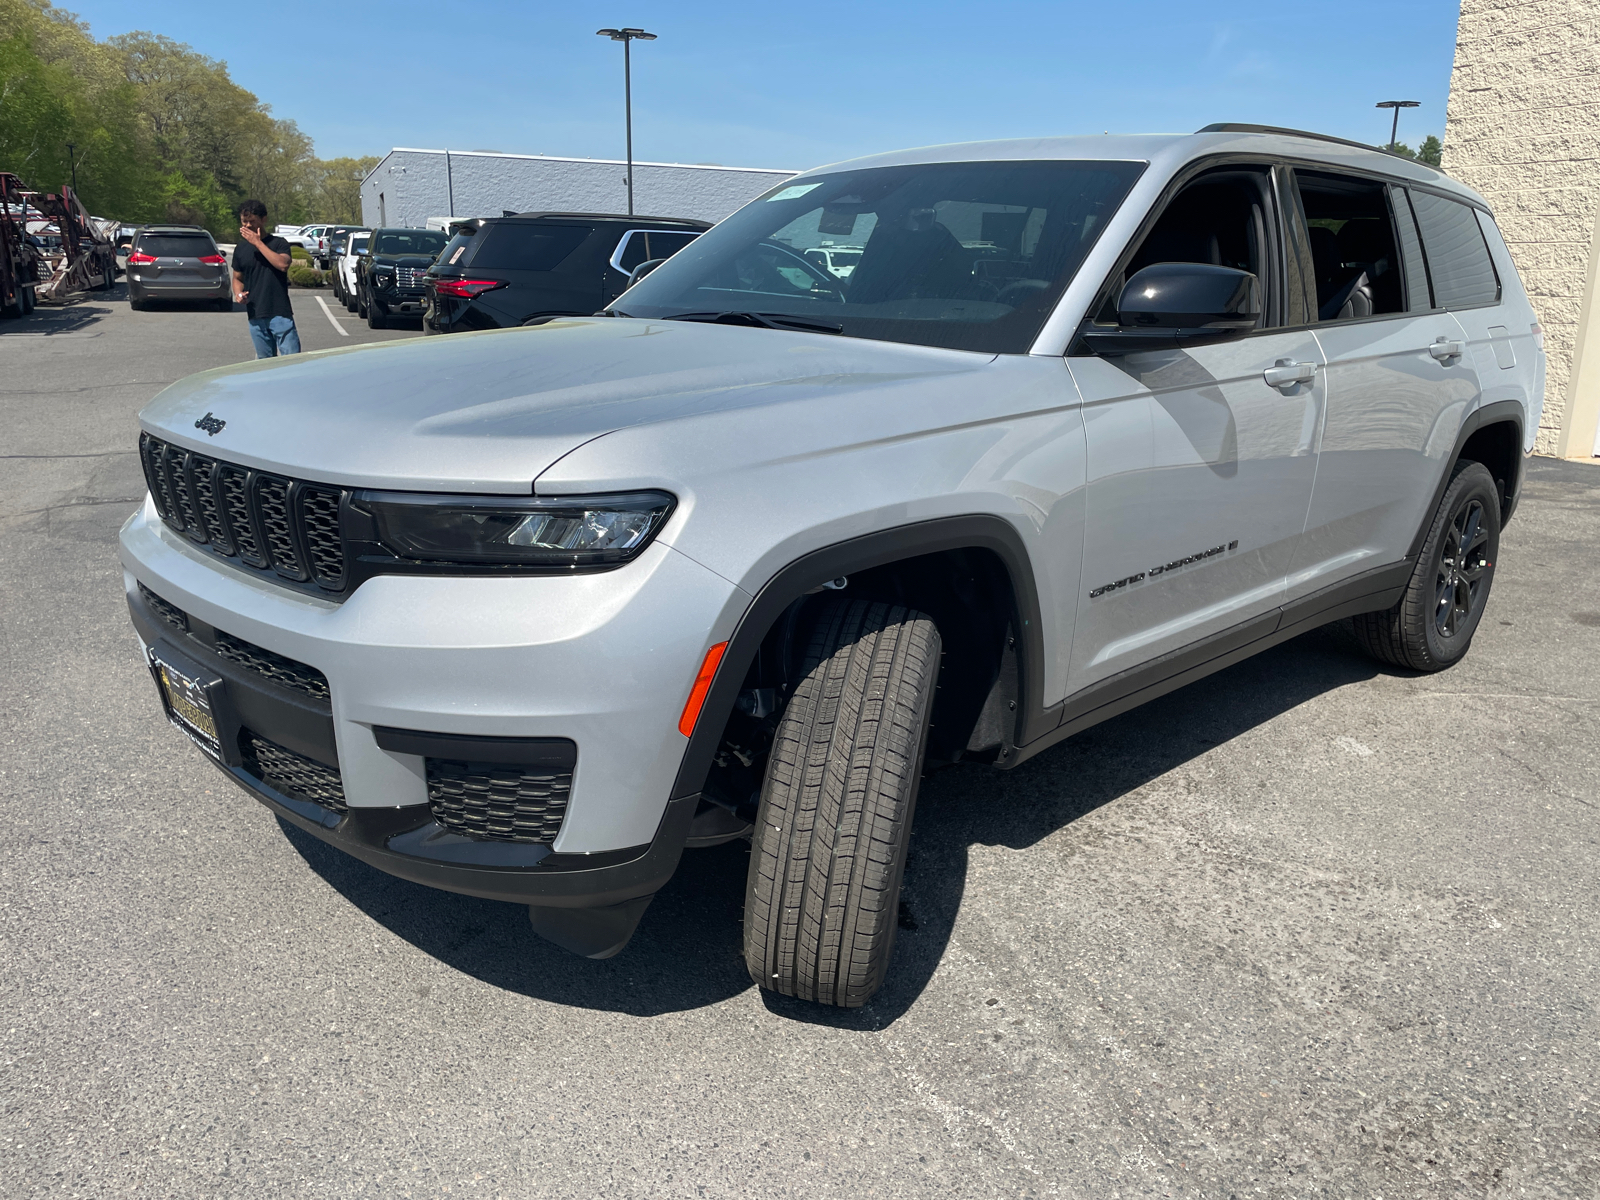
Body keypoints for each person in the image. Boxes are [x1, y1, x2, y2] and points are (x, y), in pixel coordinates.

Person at [232, 199, 300, 358]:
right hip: (255, 315)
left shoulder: (278, 243)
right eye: (244, 222)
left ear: (263, 220)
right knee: (264, 365)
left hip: (279, 313)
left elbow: (283, 264)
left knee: (292, 362)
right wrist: (238, 294)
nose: (248, 225)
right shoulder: (241, 248)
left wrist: (258, 243)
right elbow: (237, 278)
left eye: (252, 221)